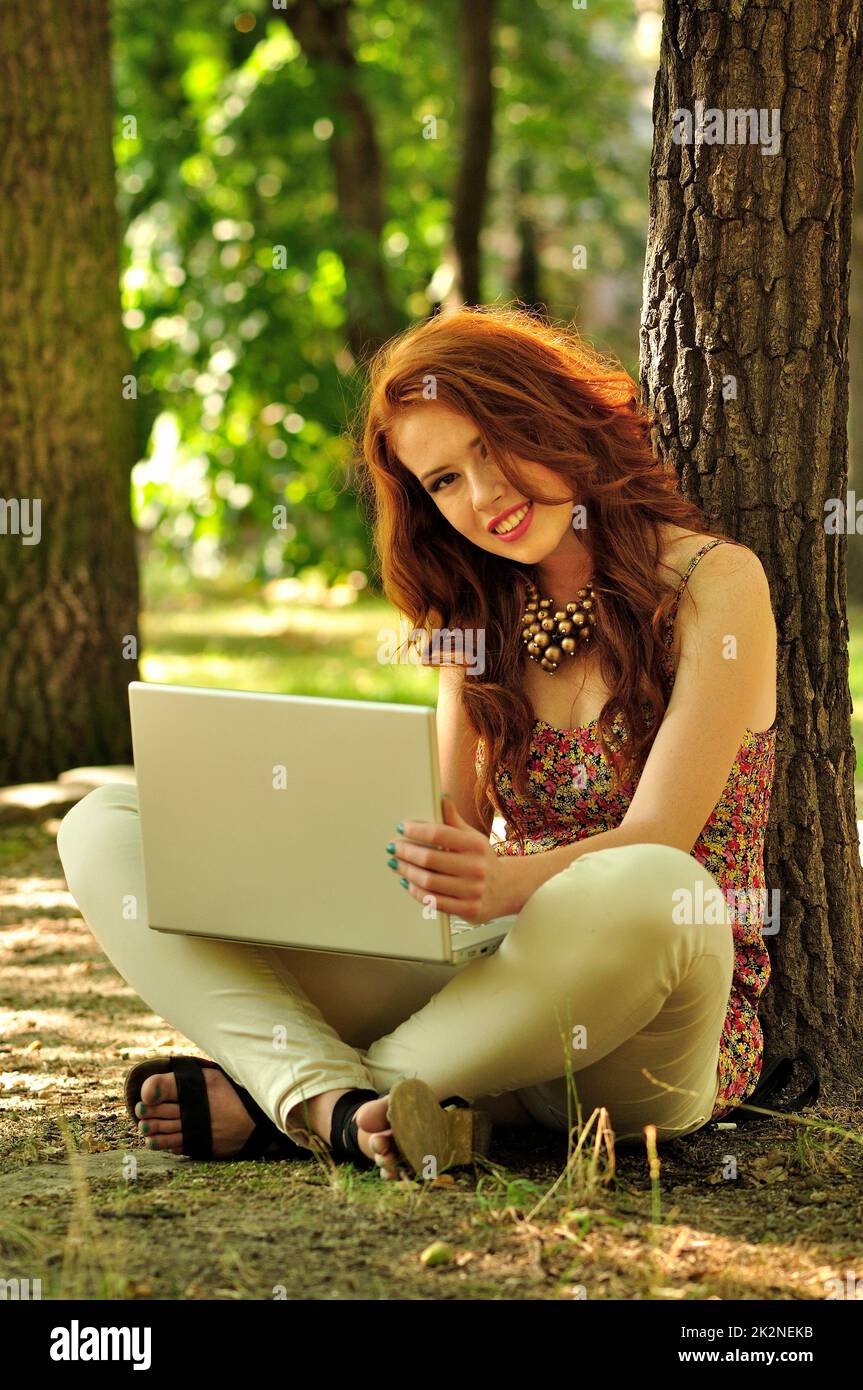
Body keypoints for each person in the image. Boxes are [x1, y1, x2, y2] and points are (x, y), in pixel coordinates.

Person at [57, 304, 778, 1181]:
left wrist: (510, 879)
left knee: (654, 887)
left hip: (645, 1023)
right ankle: (346, 1111)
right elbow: (450, 827)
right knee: (108, 822)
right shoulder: (477, 614)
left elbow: (661, 833)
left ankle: (274, 1100)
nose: (483, 498)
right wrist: (330, 841)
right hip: (493, 983)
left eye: (490, 447)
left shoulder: (713, 582)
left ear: (550, 415)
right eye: (442, 482)